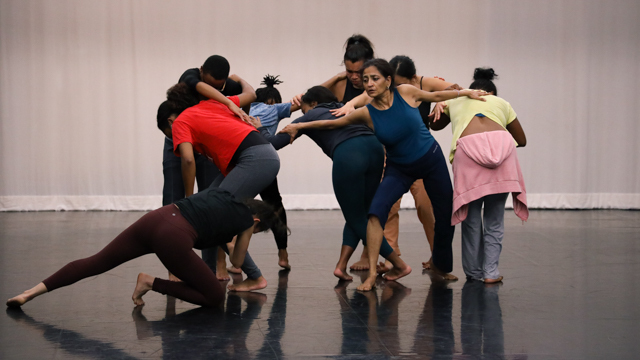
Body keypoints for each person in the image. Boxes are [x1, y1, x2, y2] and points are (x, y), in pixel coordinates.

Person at [280, 59, 488, 291]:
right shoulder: (366, 113)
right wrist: (300, 126)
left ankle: (440, 264)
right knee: (375, 214)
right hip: (399, 168)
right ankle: (371, 274)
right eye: (366, 79)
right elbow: (333, 124)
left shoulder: (406, 92)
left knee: (444, 214)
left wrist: (466, 92)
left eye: (375, 78)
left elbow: (437, 97)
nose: (369, 84)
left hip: (431, 159)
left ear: (388, 80)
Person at [6, 188, 281, 309]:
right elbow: (236, 260)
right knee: (213, 298)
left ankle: (30, 293)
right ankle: (150, 282)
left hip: (157, 218)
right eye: (257, 230)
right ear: (256, 221)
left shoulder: (222, 196)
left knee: (96, 262)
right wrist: (243, 238)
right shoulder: (246, 222)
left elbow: (206, 219)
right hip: (174, 237)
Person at [248, 86, 411, 281]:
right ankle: (341, 266)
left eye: (304, 109)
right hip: (375, 150)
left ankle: (399, 265)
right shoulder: (343, 108)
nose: (304, 113)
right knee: (361, 213)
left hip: (349, 154)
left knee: (356, 217)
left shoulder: (311, 115)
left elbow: (272, 145)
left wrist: (257, 129)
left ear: (314, 104)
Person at [343, 55, 463, 272]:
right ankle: (392, 258)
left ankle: (438, 258)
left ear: (413, 79)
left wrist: (441, 101)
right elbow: (363, 97)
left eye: (400, 84)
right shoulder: (386, 92)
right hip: (398, 160)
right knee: (387, 209)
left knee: (428, 208)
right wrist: (350, 104)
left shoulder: (425, 84)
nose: (394, 89)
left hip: (424, 156)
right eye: (393, 84)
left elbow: (454, 89)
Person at [160, 76, 280, 291]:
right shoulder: (214, 103)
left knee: (211, 213)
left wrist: (189, 199)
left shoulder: (180, 121)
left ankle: (255, 277)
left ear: (170, 118)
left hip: (254, 159)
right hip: (258, 155)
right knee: (210, 212)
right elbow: (251, 93)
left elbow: (187, 159)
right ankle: (209, 273)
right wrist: (240, 80)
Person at [429, 68, 528, 283]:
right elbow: (521, 140)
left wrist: (440, 101)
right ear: (492, 93)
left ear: (470, 90)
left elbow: (434, 125)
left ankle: (473, 273)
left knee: (471, 219)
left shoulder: (457, 100)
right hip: (503, 151)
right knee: (494, 219)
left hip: (468, 153)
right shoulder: (502, 103)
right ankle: (491, 273)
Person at [160, 55, 248, 274]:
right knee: (173, 200)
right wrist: (227, 101)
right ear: (201, 72)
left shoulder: (231, 85)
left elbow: (251, 95)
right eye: (207, 84)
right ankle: (174, 267)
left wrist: (240, 81)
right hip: (181, 136)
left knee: (211, 202)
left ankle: (217, 262)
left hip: (207, 141)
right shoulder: (190, 76)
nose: (210, 89)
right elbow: (187, 160)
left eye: (217, 87)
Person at [223, 74, 299, 272]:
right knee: (275, 207)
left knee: (234, 205)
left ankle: (233, 252)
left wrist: (237, 78)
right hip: (263, 163)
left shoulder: (241, 109)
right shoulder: (274, 108)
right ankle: (283, 253)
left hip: (240, 163)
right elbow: (299, 103)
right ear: (273, 101)